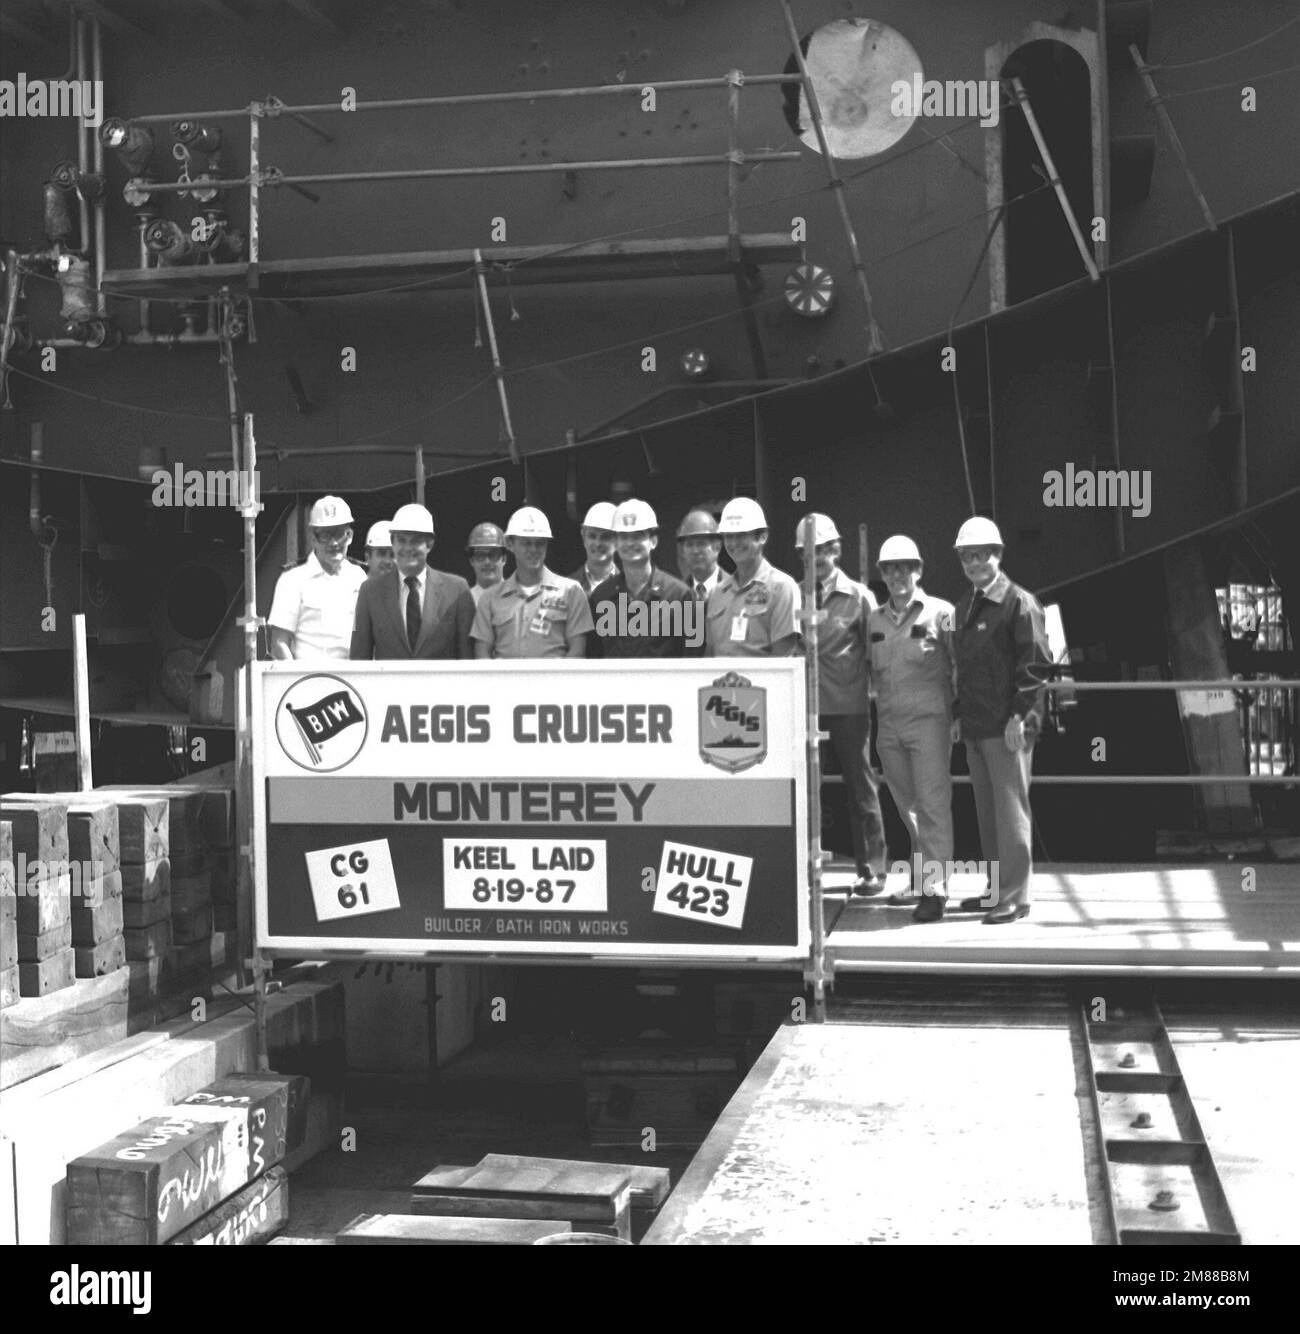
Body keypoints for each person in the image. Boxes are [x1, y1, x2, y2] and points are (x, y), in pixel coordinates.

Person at [950, 517, 1051, 925]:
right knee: (988, 813)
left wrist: (1019, 715)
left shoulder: (1018, 604)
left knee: (1011, 814)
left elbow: (1037, 664)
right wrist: (958, 714)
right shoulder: (968, 605)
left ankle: (1015, 896)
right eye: (967, 556)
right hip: (977, 724)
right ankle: (995, 889)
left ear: (998, 555)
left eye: (981, 555)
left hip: (1006, 727)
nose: (974, 563)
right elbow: (963, 666)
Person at [796, 514, 887, 896]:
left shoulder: (860, 597)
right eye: (809, 551)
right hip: (806, 709)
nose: (817, 556)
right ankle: (806, 868)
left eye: (823, 549)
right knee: (805, 791)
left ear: (836, 550)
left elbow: (876, 653)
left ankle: (873, 869)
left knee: (861, 789)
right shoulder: (794, 594)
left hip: (849, 708)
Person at [869, 534, 957, 922]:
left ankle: (937, 890)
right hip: (889, 726)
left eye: (906, 566)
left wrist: (958, 716)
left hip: (930, 724)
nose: (898, 574)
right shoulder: (873, 620)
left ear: (919, 570)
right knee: (908, 807)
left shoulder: (942, 613)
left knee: (933, 805)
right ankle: (921, 877)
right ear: (883, 575)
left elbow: (960, 666)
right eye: (890, 568)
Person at [350, 503, 475, 660]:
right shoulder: (370, 591)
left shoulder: (457, 590)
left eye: (415, 541)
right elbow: (359, 657)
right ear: (393, 542)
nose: (407, 548)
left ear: (429, 544)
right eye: (401, 540)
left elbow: (468, 657)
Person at [473, 506, 593, 658]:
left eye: (540, 543)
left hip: (553, 680)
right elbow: (482, 653)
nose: (534, 549)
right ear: (510, 544)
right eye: (526, 543)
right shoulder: (490, 598)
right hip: (504, 681)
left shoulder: (571, 592)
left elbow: (577, 651)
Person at [589, 499, 694, 657]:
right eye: (624, 537)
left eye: (638, 536)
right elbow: (593, 657)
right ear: (615, 543)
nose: (630, 543)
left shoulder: (680, 596)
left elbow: (694, 658)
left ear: (653, 541)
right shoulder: (601, 597)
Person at [267, 495, 367, 661]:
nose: (334, 543)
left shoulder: (358, 577)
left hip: (352, 679)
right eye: (325, 535)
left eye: (339, 534)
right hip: (308, 678)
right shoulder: (292, 581)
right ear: (313, 537)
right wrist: (297, 683)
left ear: (349, 536)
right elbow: (279, 644)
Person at [705, 498, 801, 657]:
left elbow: (783, 661)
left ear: (762, 536)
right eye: (729, 536)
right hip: (719, 682)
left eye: (741, 535)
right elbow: (710, 655)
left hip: (762, 682)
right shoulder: (717, 593)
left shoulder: (781, 588)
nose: (734, 543)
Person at [569, 502, 618, 594]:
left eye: (605, 537)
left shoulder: (630, 588)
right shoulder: (567, 588)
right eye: (592, 536)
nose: (598, 543)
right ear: (583, 537)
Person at [465, 521, 507, 606]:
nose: (487, 562)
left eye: (493, 555)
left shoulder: (518, 599)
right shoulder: (463, 602)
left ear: (504, 559)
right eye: (480, 555)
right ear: (472, 560)